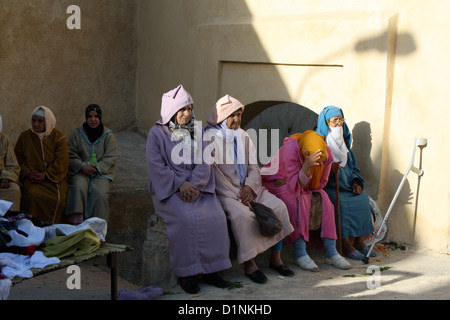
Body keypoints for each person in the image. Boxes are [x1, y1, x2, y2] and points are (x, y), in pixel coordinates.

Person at [145, 85, 232, 294]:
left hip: (197, 187)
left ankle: (212, 271)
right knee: (185, 219)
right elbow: (156, 166)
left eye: (190, 108)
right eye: (183, 109)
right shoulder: (157, 134)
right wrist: (180, 184)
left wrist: (194, 183)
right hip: (171, 190)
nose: (187, 113)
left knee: (215, 216)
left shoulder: (198, 130)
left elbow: (205, 161)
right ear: (171, 111)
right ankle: (187, 275)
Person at [204, 94, 295, 283]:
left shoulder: (243, 136)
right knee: (243, 217)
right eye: (232, 115)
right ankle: (249, 263)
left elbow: (254, 166)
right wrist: (238, 194)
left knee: (279, 207)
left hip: (251, 190)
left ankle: (276, 258)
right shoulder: (209, 138)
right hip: (227, 193)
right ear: (221, 117)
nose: (236, 120)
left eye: (239, 115)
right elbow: (214, 175)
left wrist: (249, 188)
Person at [261, 130, 351, 271]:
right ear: (306, 153)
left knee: (326, 200)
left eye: (321, 162)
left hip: (304, 183)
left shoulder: (326, 153)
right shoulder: (291, 149)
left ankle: (331, 251)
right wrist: (307, 166)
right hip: (281, 181)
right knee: (296, 201)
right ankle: (300, 252)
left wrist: (310, 173)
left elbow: (321, 184)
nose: (319, 165)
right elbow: (293, 185)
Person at [316, 106, 375, 260]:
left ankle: (359, 241)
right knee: (340, 204)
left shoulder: (346, 149)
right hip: (329, 188)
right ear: (326, 123)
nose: (338, 124)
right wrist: (329, 168)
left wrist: (356, 182)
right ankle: (345, 244)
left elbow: (355, 170)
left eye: (341, 120)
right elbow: (315, 171)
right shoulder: (322, 146)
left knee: (362, 200)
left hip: (347, 189)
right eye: (334, 121)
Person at [65, 104, 118, 225]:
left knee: (100, 193)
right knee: (78, 187)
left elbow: (111, 156)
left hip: (100, 174)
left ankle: (97, 229)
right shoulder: (77, 134)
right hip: (81, 171)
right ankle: (76, 226)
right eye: (89, 116)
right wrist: (82, 166)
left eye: (96, 116)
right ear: (86, 117)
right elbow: (70, 154)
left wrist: (97, 168)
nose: (93, 120)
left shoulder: (108, 135)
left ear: (100, 117)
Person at [14, 106, 69, 224]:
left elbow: (61, 161)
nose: (36, 124)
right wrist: (28, 173)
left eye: (40, 121)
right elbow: (18, 160)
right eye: (34, 120)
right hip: (32, 179)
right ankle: (30, 227)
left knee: (57, 199)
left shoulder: (59, 138)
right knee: (31, 194)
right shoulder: (24, 137)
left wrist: (46, 175)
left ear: (48, 121)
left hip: (53, 180)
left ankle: (50, 228)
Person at [0, 115, 21, 211]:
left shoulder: (4, 140)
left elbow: (13, 165)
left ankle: (9, 222)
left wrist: (7, 177)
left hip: (1, 178)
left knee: (14, 190)